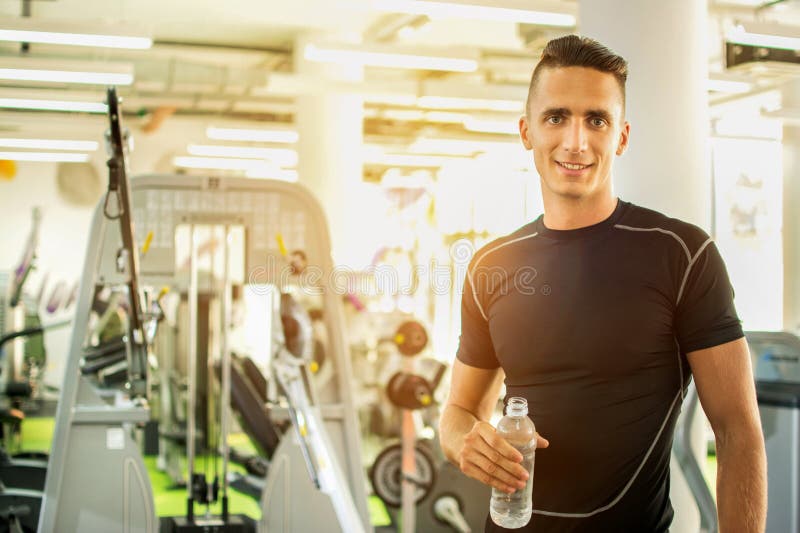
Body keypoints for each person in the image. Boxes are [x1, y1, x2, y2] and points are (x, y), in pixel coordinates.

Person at [438, 34, 767, 532]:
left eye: (596, 119)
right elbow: (460, 410)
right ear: (526, 131)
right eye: (556, 117)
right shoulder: (492, 266)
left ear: (622, 136)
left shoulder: (681, 255)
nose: (576, 141)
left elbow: (738, 432)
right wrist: (464, 439)